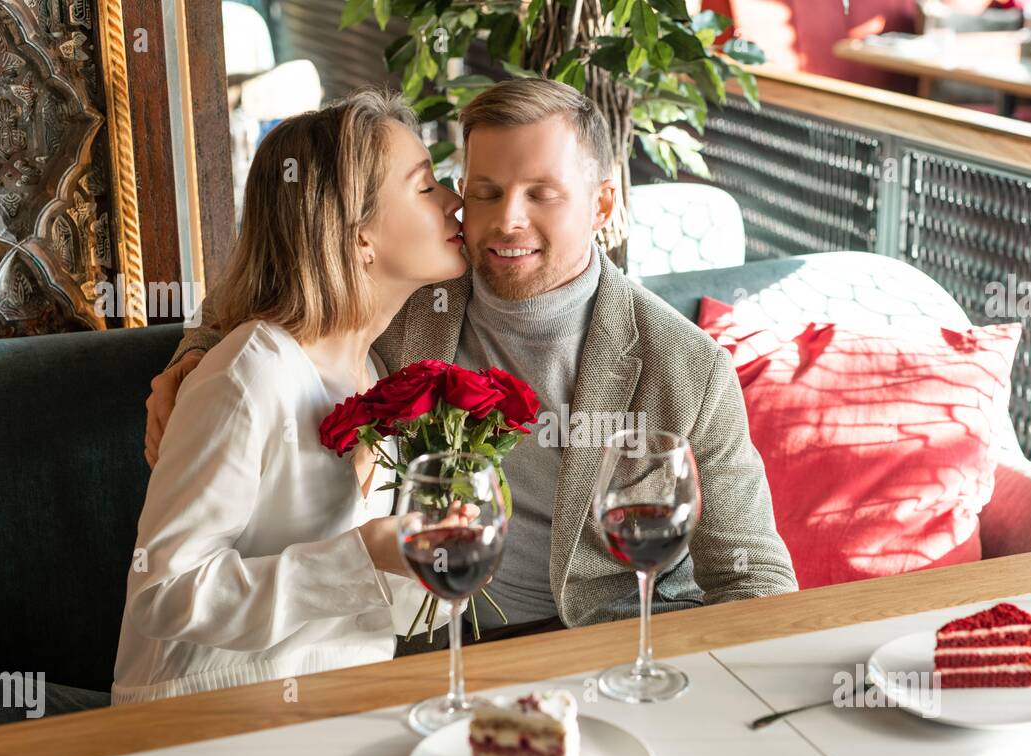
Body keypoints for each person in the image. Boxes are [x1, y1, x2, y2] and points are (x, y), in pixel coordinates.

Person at [146, 78, 796, 652]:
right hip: (430, 641)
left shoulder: (687, 366)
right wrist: (194, 354)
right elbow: (286, 286)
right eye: (484, 191)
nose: (507, 220)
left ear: (601, 206)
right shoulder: (408, 292)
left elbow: (753, 575)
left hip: (611, 647)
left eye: (542, 194)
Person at [114, 88, 464, 702]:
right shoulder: (248, 375)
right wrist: (359, 557)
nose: (455, 201)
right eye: (426, 186)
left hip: (345, 703)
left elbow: (369, 599)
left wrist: (433, 559)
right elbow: (162, 594)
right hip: (206, 715)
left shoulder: (377, 376)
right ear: (361, 238)